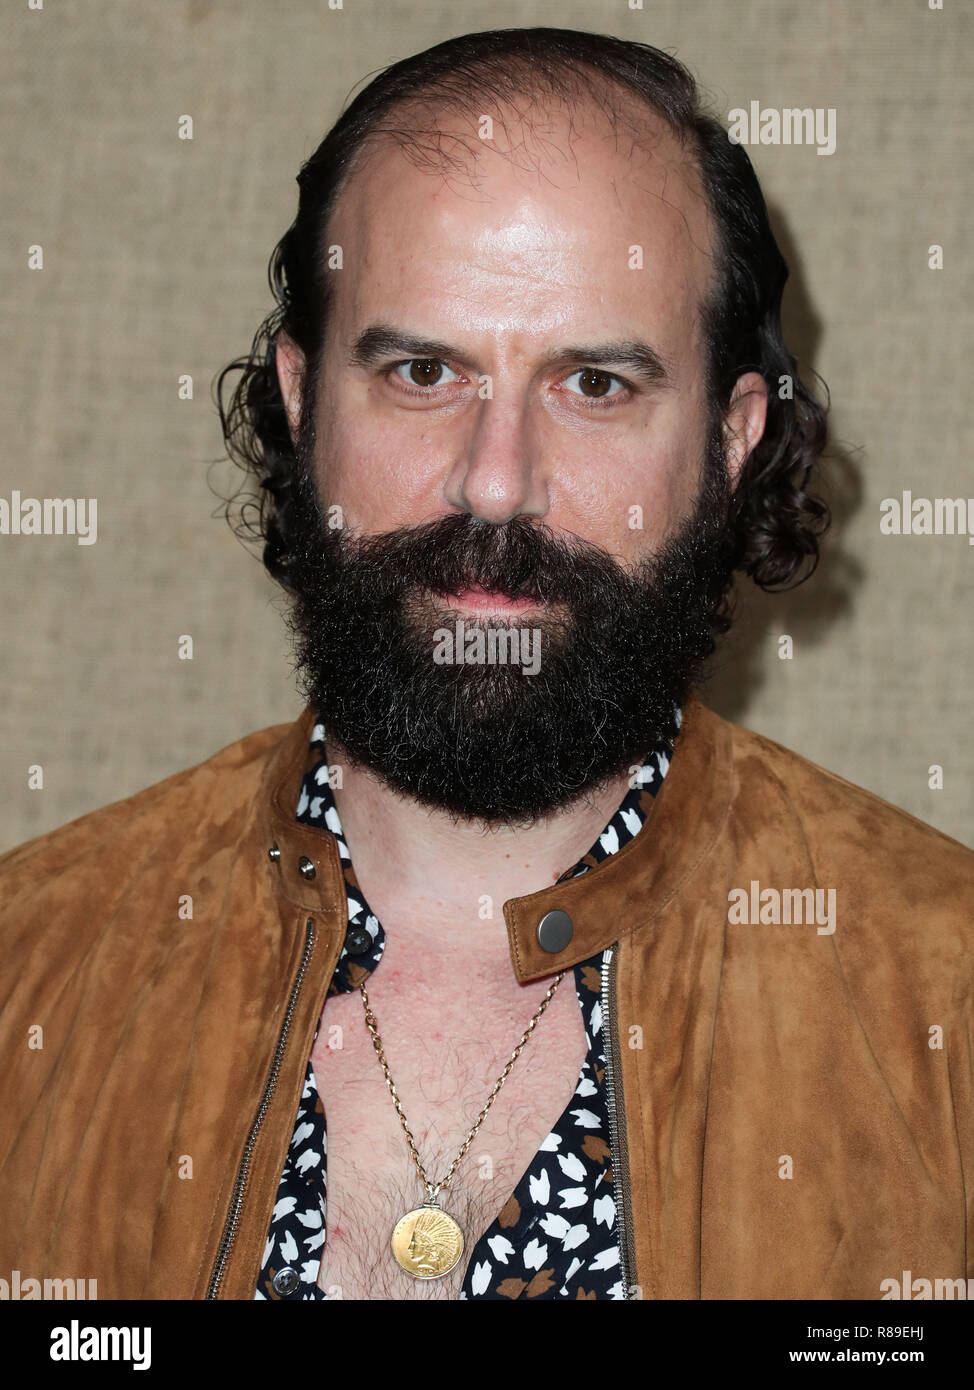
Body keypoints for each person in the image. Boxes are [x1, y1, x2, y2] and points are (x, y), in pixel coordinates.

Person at [1, 26, 971, 1302]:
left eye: (595, 384)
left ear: (731, 444)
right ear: (301, 402)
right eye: (419, 371)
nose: (494, 483)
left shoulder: (940, 999)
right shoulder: (31, 965)